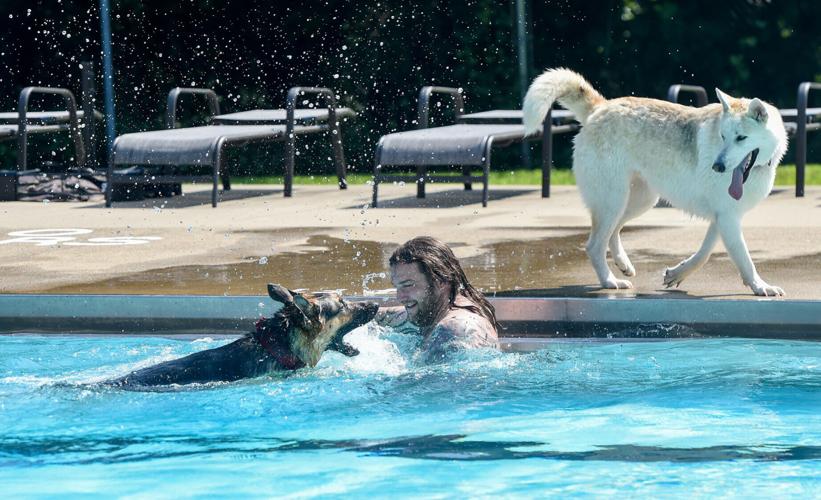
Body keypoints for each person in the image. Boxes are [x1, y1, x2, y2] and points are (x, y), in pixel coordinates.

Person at [375, 236, 500, 362]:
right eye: (397, 287)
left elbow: (428, 375)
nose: (400, 297)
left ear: (440, 281)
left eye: (408, 285)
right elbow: (378, 316)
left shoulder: (453, 329)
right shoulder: (437, 312)